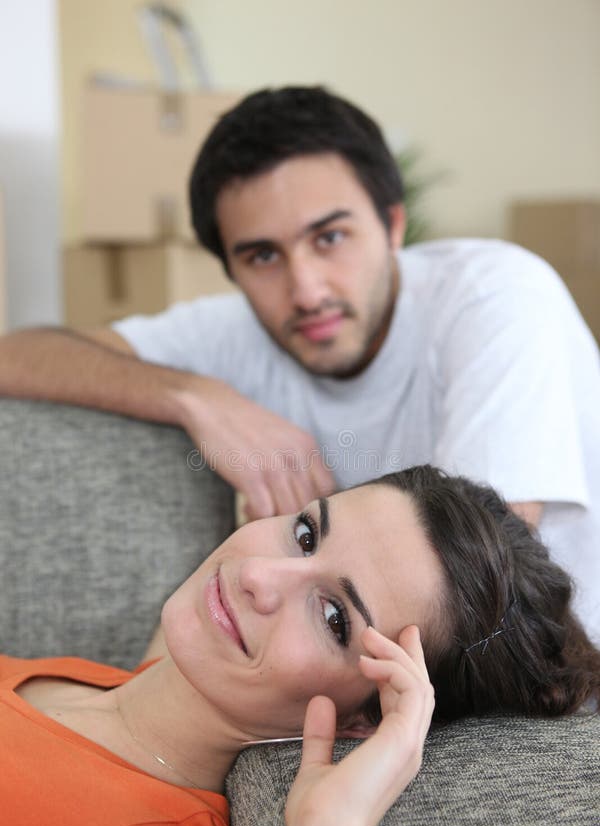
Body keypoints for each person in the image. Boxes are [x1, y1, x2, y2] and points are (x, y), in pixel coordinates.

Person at [1, 87, 599, 644]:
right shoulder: (235, 333)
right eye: (262, 256)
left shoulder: (494, 293)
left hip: (550, 681)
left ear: (393, 225)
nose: (306, 290)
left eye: (330, 238)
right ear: (233, 271)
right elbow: (17, 355)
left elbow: (478, 579)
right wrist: (194, 396)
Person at [2, 466, 599, 826]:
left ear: (364, 717)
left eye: (335, 617)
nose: (258, 575)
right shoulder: (116, 688)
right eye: (306, 534)